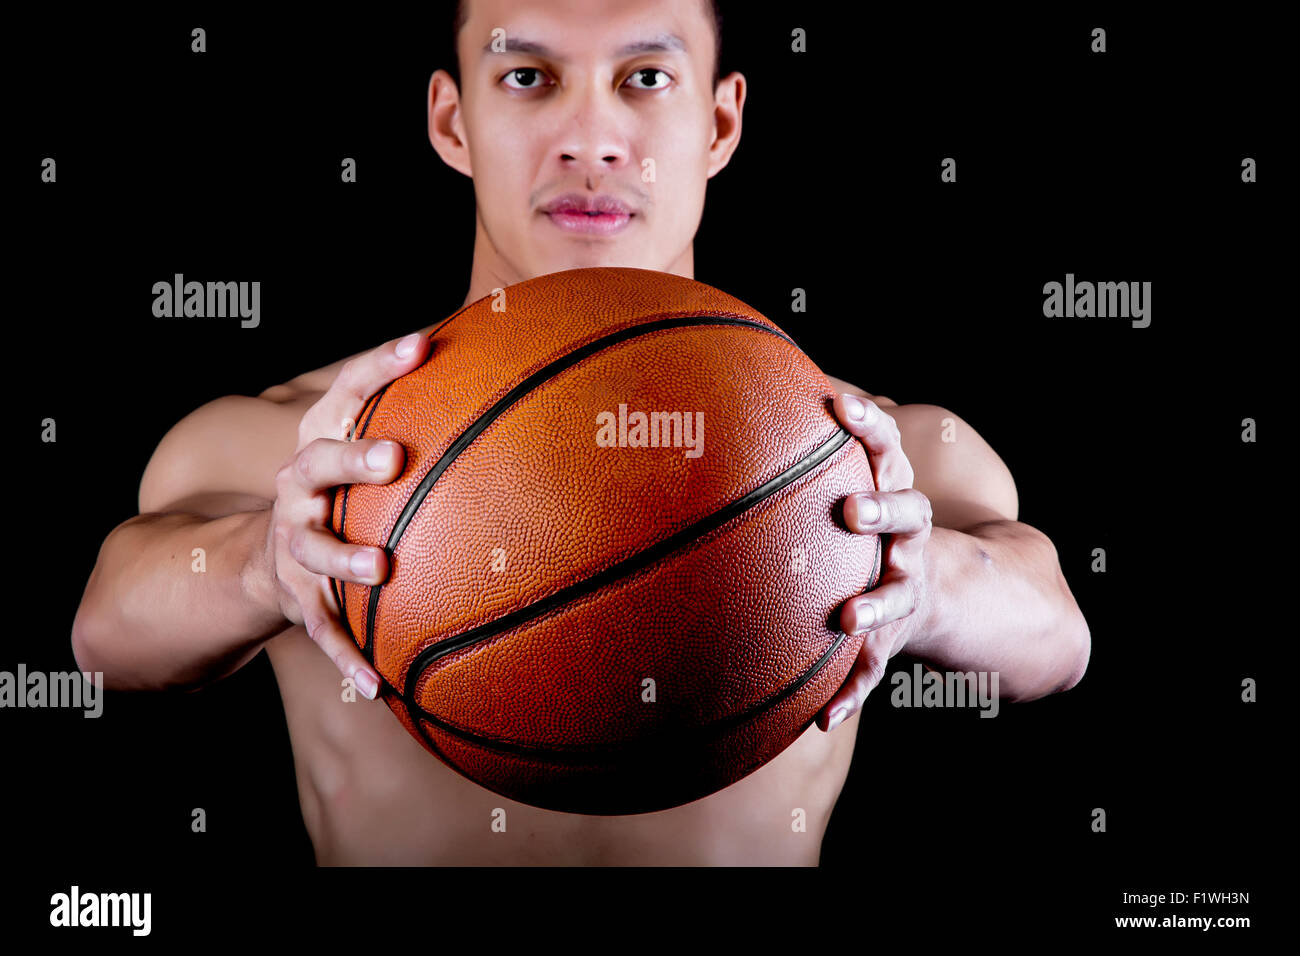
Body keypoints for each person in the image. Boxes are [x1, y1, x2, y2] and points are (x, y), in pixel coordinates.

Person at [72, 0, 1089, 865]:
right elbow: (105, 629)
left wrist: (925, 582)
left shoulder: (870, 459)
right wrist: (264, 565)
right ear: (451, 118)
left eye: (645, 77)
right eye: (527, 77)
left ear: (721, 123)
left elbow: (1057, 634)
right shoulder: (307, 456)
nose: (591, 138)